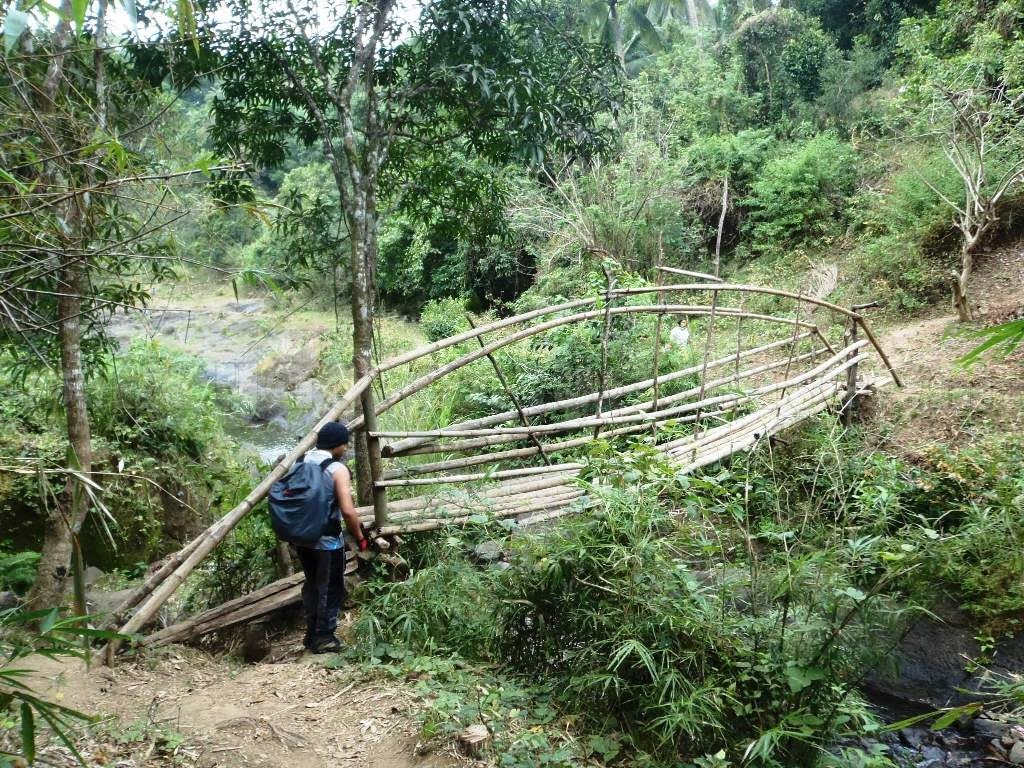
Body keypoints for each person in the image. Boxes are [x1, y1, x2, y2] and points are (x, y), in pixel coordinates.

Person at [296, 420, 369, 653]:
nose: (346, 449)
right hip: (327, 541)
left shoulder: (302, 459)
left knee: (313, 584)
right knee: (330, 587)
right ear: (336, 445)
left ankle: (311, 634)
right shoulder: (337, 469)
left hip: (302, 537)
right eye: (344, 445)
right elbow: (347, 511)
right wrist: (359, 537)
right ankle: (324, 637)